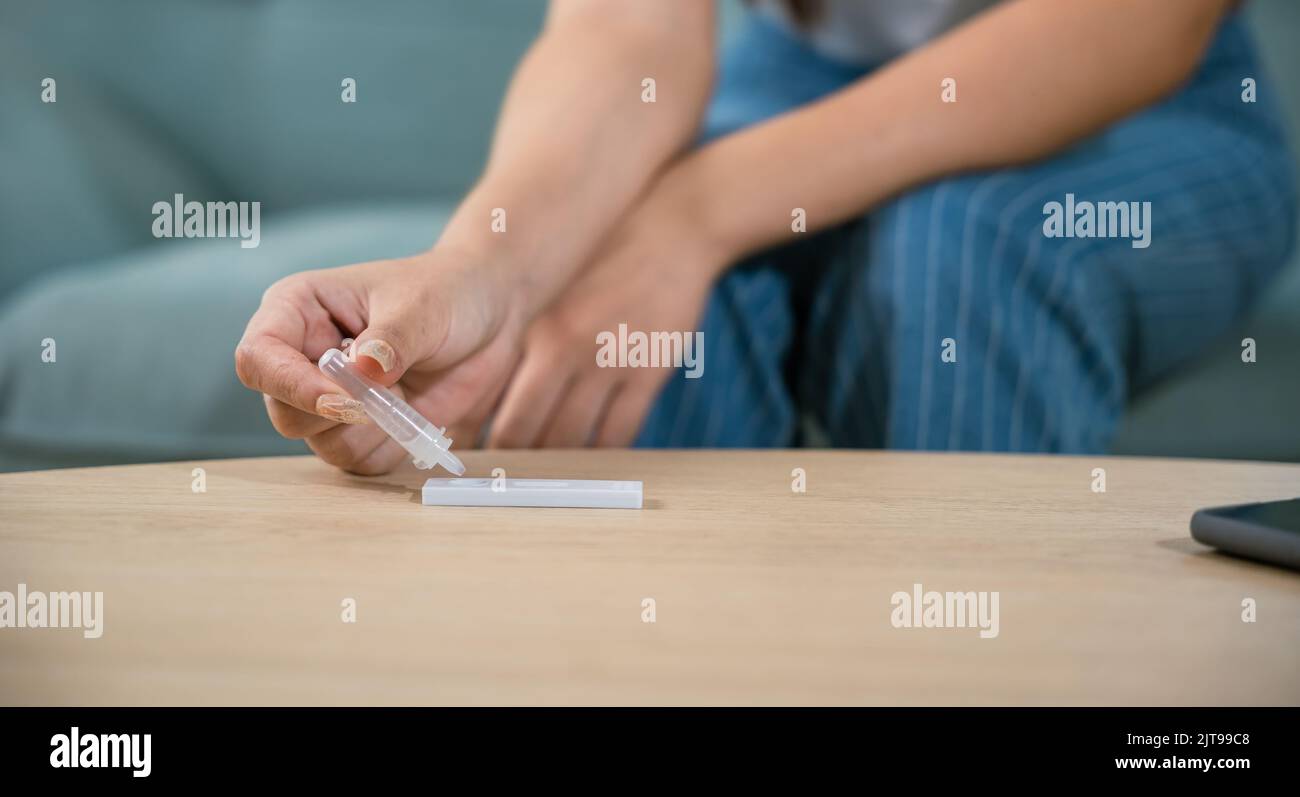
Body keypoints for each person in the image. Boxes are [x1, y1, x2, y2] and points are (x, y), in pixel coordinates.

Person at [235, 0, 1295, 475]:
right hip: (788, 89)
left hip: (1142, 106)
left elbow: (1132, 19)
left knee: (963, 253)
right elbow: (625, 27)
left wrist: (690, 211)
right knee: (613, 297)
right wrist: (483, 273)